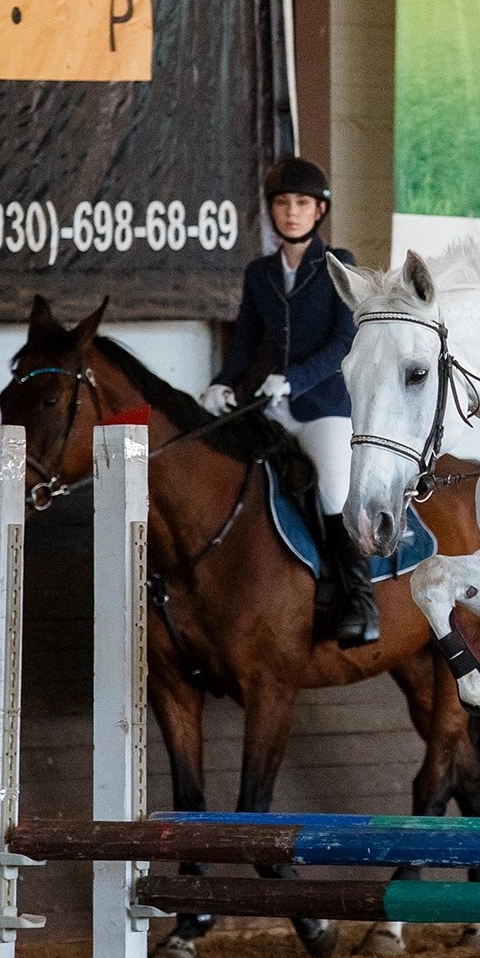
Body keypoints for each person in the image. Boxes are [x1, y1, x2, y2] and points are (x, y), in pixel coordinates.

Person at [199, 156, 379, 649]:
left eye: (302, 203)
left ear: (319, 211)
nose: (291, 212)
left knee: (333, 491)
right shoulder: (259, 273)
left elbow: (345, 343)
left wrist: (294, 379)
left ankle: (359, 601)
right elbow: (244, 346)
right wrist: (222, 384)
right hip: (272, 404)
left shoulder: (339, 263)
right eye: (282, 203)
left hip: (324, 405)